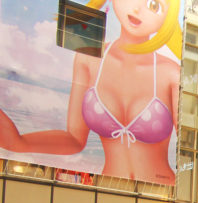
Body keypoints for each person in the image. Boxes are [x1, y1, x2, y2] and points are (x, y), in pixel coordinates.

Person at [0, 0, 183, 184]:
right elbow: (74, 139)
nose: (136, 9)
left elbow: (187, 153)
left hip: (162, 192)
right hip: (104, 188)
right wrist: (19, 142)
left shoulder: (171, 73)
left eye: (153, 5)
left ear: (168, 18)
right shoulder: (88, 59)